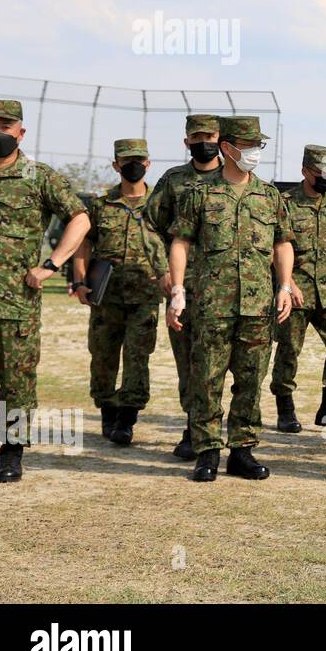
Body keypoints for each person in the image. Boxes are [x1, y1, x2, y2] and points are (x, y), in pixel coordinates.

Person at [167, 116, 294, 481]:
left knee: (251, 380)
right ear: (228, 148)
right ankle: (206, 452)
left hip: (257, 307)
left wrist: (284, 286)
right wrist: (178, 290)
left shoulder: (269, 196)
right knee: (207, 378)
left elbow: (282, 243)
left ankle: (242, 451)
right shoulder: (201, 194)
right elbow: (180, 242)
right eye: (248, 145)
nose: (255, 152)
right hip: (211, 305)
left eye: (258, 145)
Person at [0, 99, 90, 482]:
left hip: (15, 301)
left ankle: (11, 451)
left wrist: (51, 265)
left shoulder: (38, 176)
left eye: (5, 126)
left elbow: (79, 218)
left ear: (20, 133)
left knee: (16, 382)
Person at [72, 138, 169, 446]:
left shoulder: (161, 204)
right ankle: (107, 409)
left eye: (139, 159)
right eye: (126, 161)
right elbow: (84, 244)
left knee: (138, 357)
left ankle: (127, 419)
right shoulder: (100, 204)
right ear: (116, 165)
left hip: (145, 295)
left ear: (148, 164)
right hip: (106, 295)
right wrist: (79, 281)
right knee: (102, 356)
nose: (133, 165)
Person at [144, 113, 223, 460]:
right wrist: (163, 270)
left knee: (232, 365)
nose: (203, 142)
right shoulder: (174, 180)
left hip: (233, 291)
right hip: (185, 289)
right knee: (190, 363)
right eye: (197, 136)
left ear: (222, 139)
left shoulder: (235, 178)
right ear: (186, 142)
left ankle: (228, 431)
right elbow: (148, 225)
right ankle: (195, 427)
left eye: (210, 135)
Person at [268, 144, 326, 433]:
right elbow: (275, 247)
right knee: (289, 350)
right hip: (296, 292)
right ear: (305, 171)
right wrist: (289, 284)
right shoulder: (285, 202)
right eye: (320, 173)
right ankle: (285, 410)